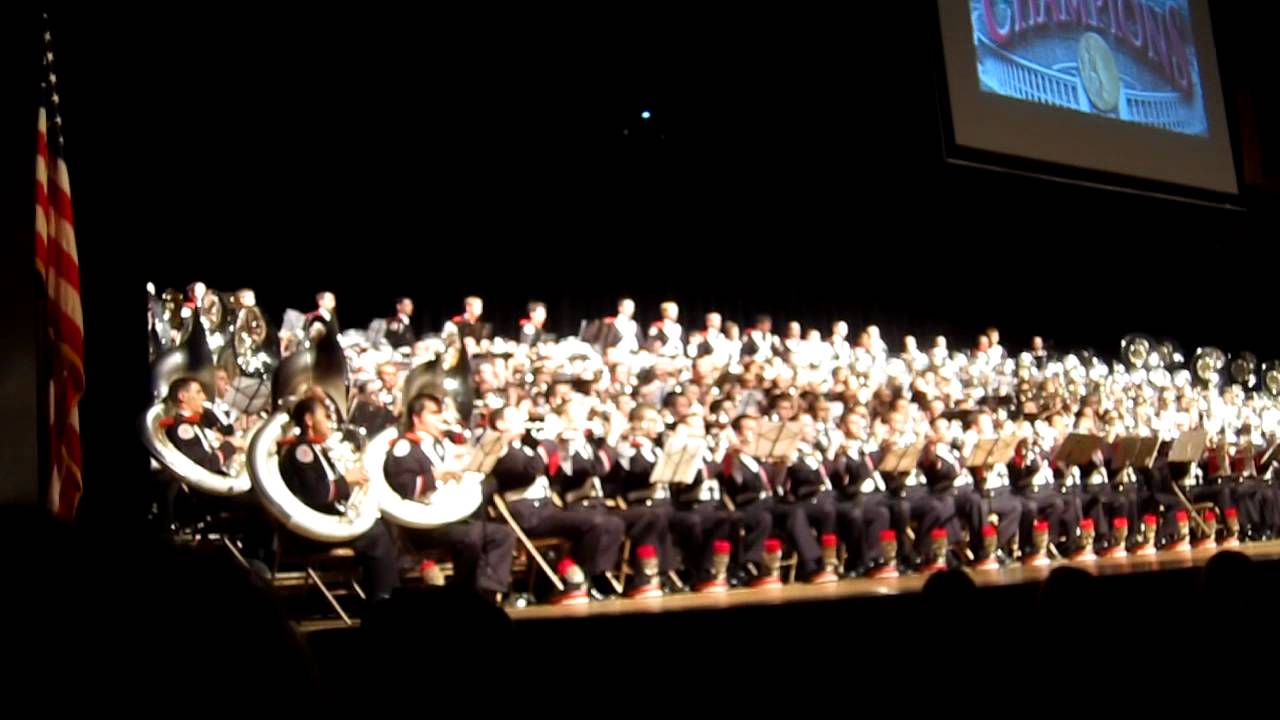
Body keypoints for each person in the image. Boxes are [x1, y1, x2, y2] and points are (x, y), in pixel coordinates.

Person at [384, 394, 515, 600]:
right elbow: (403, 487)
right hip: (424, 524)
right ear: (417, 418)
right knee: (471, 538)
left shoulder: (440, 445)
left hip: (450, 517)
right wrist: (435, 477)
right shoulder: (405, 447)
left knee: (502, 535)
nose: (441, 418)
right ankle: (463, 597)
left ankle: (487, 592)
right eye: (434, 413)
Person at [278, 396, 400, 601]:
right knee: (376, 535)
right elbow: (317, 495)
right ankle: (384, 600)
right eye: (325, 416)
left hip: (328, 521)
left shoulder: (316, 449)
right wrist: (347, 480)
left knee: (384, 525)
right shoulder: (302, 450)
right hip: (312, 531)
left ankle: (384, 594)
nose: (330, 421)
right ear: (309, 420)